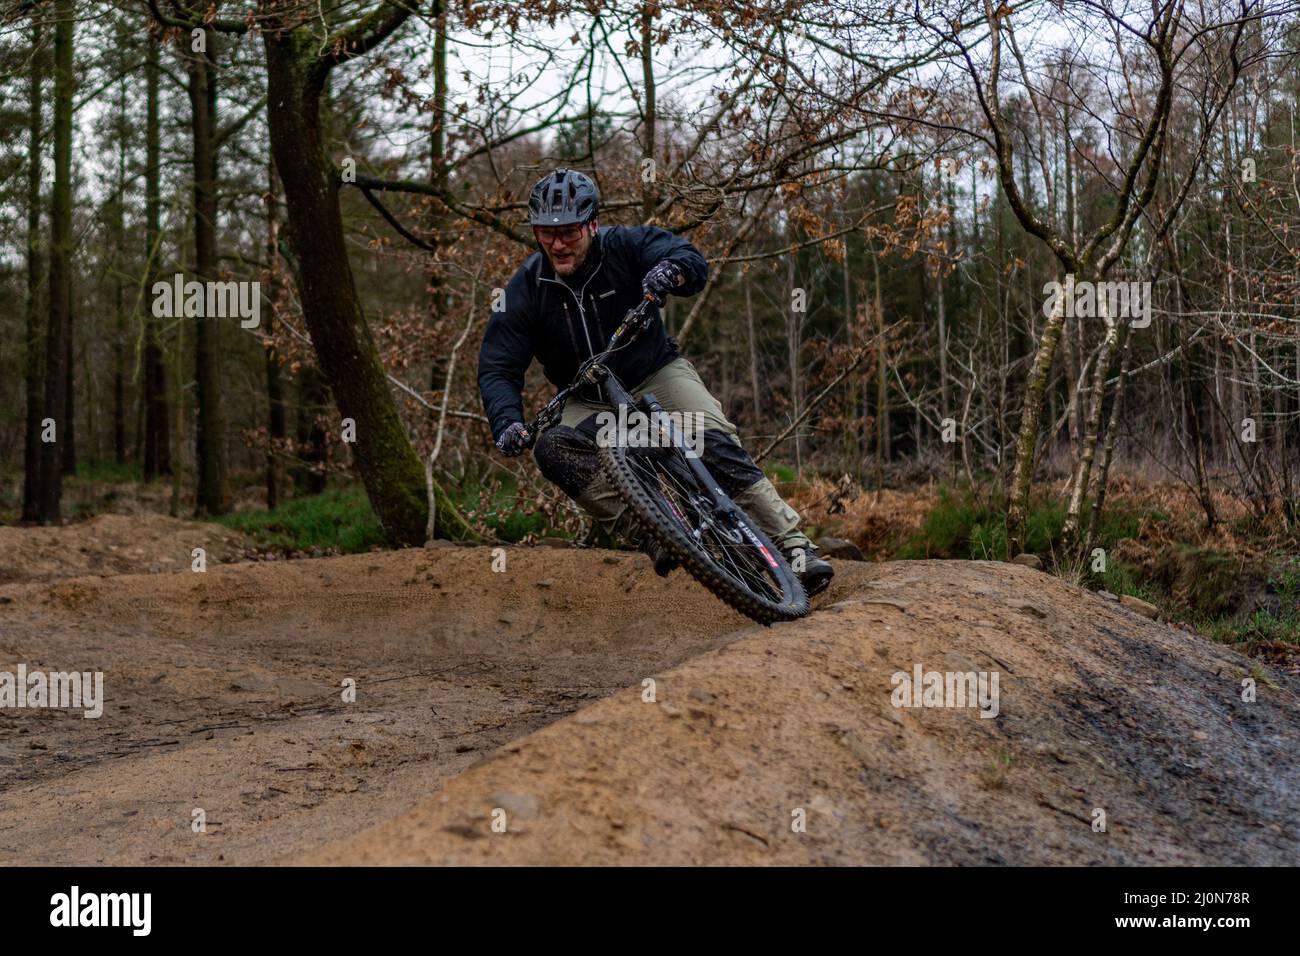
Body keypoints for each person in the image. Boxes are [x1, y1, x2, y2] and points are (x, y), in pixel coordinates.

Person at [477, 167, 834, 596]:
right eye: (545, 233)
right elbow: (498, 366)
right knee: (553, 449)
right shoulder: (527, 287)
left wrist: (672, 272)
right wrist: (506, 423)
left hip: (654, 375)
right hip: (587, 399)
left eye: (569, 232)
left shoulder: (627, 245)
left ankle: (794, 546)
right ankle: (654, 532)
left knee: (711, 438)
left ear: (592, 224)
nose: (557, 243)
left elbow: (690, 259)